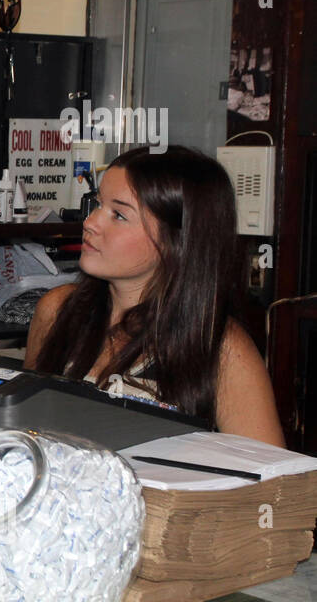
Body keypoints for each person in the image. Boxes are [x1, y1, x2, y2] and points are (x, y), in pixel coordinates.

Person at [25, 145, 285, 446]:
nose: (90, 223)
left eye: (119, 215)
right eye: (97, 205)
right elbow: (27, 428)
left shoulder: (222, 347)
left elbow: (272, 482)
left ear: (177, 240)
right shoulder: (58, 309)